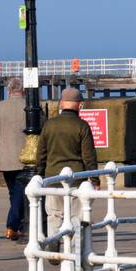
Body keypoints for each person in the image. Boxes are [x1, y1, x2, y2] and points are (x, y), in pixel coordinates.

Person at [36, 87, 99, 239]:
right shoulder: (82, 126)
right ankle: (73, 253)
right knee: (76, 217)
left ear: (61, 103)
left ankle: (53, 242)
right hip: (76, 179)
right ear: (79, 105)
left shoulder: (49, 125)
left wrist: (40, 175)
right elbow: (89, 157)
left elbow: (41, 154)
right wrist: (95, 180)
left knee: (54, 215)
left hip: (53, 178)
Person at [0, 77, 30, 241]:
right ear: (23, 90)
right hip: (25, 156)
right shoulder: (30, 106)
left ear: (9, 91)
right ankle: (12, 225)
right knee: (20, 192)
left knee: (14, 192)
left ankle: (16, 226)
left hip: (5, 158)